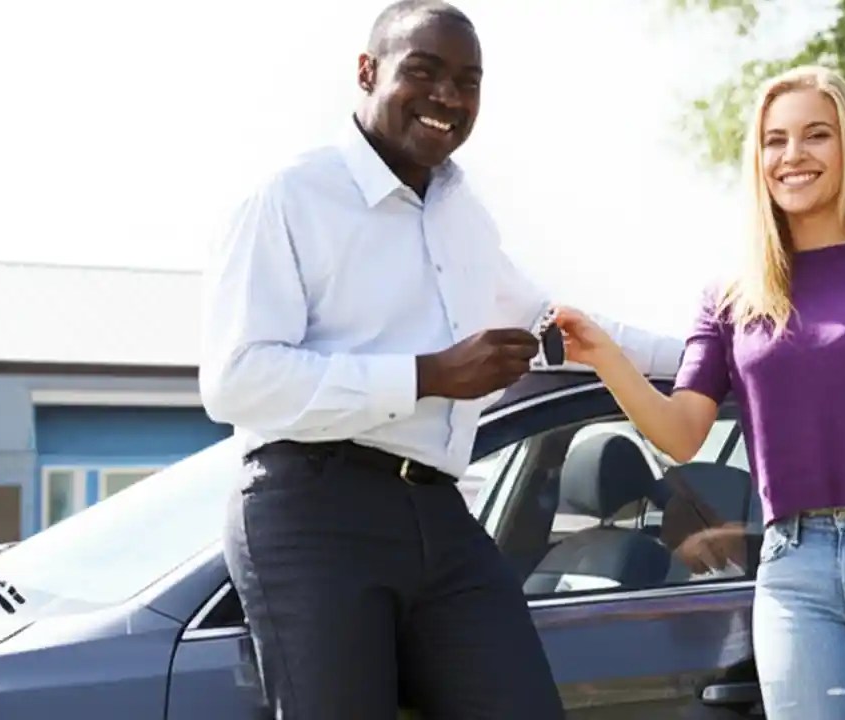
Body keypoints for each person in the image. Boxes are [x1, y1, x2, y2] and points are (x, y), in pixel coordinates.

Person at [197, 2, 683, 718]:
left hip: (440, 511)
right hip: (313, 510)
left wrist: (723, 349)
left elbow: (568, 330)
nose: (448, 98)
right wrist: (428, 374)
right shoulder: (291, 199)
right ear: (367, 72)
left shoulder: (464, 214)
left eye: (468, 80)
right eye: (422, 72)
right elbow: (236, 381)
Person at [553, 64, 845, 719]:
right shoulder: (732, 293)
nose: (792, 155)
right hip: (794, 572)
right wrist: (602, 352)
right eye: (775, 140)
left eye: (815, 135)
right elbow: (683, 432)